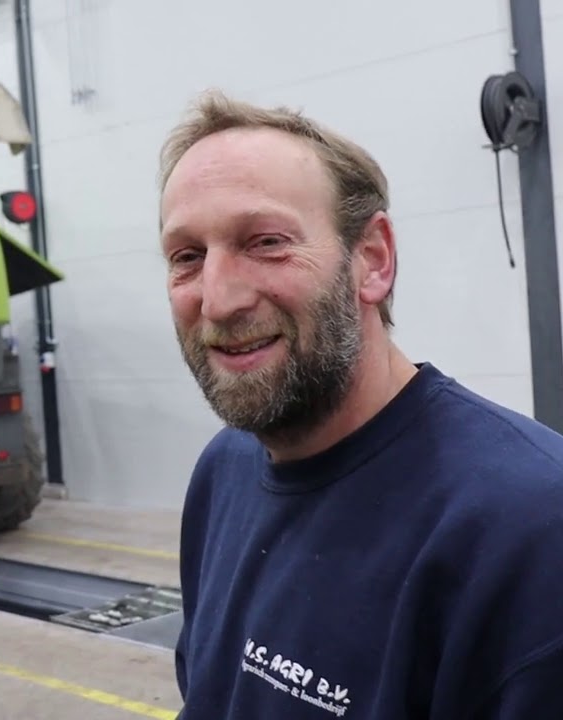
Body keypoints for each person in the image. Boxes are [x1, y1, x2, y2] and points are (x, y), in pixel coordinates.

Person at [158, 90, 563, 719]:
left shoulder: (530, 525)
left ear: (372, 260)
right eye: (187, 257)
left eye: (265, 242)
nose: (217, 299)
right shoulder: (223, 471)